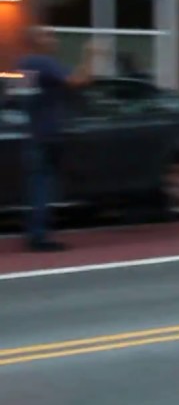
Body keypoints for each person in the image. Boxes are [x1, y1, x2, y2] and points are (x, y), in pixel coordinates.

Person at [16, 28, 100, 252]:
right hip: (49, 133)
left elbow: (21, 99)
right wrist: (90, 55)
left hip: (33, 131)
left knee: (37, 184)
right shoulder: (45, 62)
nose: (54, 39)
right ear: (36, 41)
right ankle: (39, 237)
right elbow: (78, 81)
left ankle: (35, 231)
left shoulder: (24, 64)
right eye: (47, 35)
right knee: (43, 185)